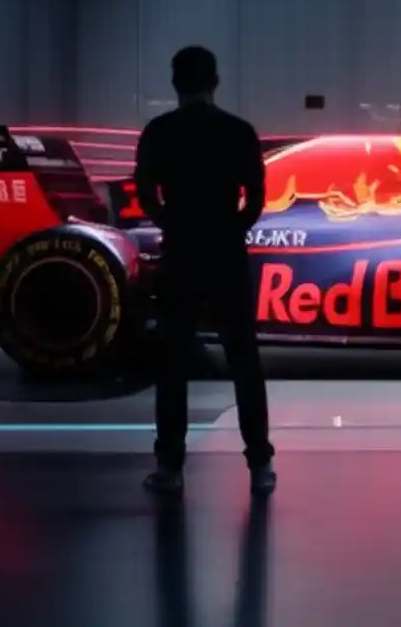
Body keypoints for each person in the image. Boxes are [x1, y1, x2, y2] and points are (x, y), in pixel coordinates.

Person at [133, 45, 276, 496]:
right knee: (244, 360)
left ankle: (170, 465)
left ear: (175, 82)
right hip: (226, 252)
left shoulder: (159, 132)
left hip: (182, 253)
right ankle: (260, 464)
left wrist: (171, 223)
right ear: (215, 82)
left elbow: (146, 193)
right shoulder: (239, 132)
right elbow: (255, 198)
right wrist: (230, 228)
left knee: (173, 362)